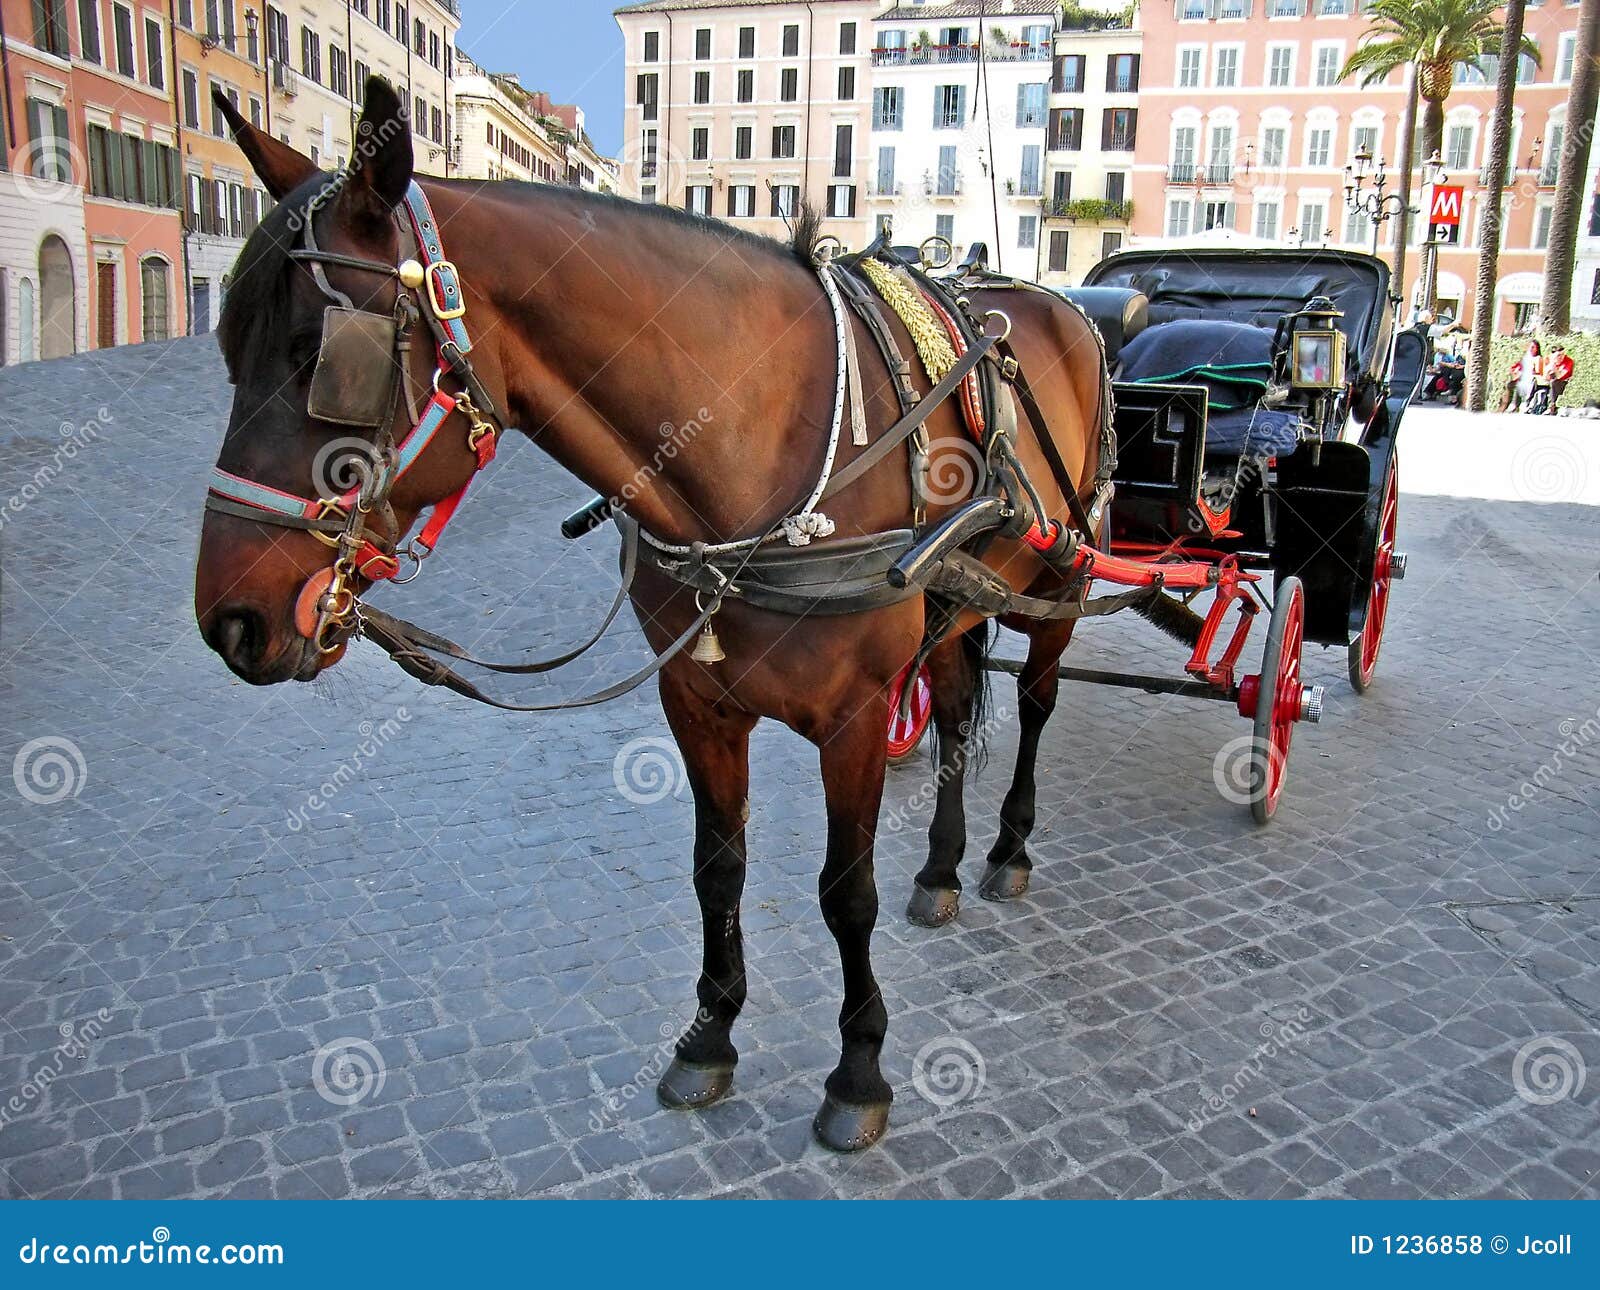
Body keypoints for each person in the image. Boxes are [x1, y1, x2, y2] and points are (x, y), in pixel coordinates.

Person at [1547, 344, 1575, 414]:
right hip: (1553, 383)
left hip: (1565, 383)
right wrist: (1551, 365)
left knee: (1554, 382)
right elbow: (1545, 377)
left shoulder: (1569, 361)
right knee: (1551, 381)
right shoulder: (1552, 361)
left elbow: (1560, 376)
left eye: (1563, 354)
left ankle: (1552, 405)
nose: (1561, 357)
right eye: (1559, 355)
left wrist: (1554, 367)